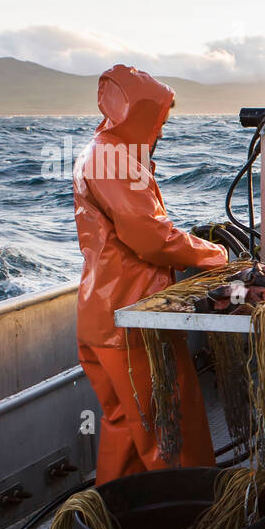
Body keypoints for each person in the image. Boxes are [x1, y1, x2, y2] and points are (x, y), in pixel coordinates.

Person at [73, 64, 227, 484]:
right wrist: (216, 254)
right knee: (169, 432)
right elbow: (151, 238)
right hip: (133, 322)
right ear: (141, 115)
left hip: (100, 317)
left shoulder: (97, 150)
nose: (161, 129)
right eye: (159, 119)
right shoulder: (113, 159)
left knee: (124, 429)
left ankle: (119, 525)